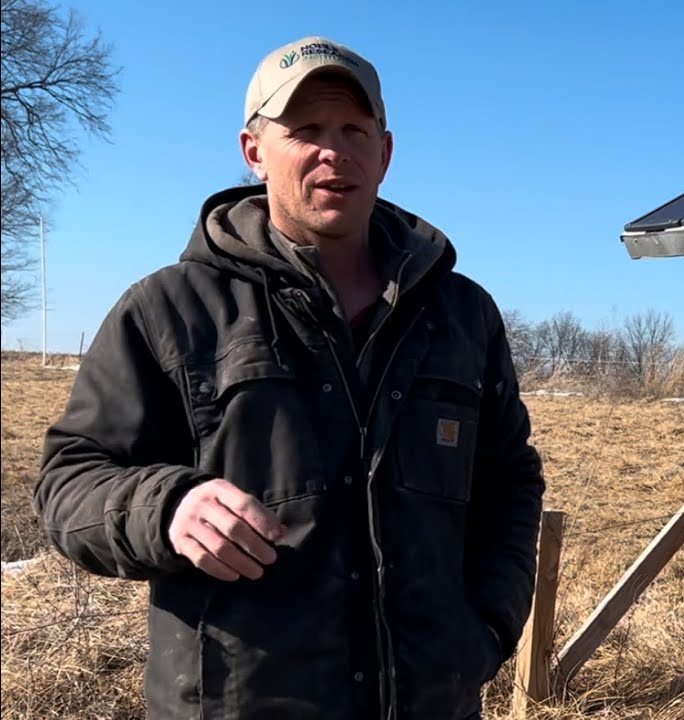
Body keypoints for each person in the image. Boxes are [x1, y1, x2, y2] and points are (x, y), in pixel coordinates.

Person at [33, 35, 545, 720]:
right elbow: (68, 481)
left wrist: (490, 626)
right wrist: (167, 507)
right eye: (306, 130)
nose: (334, 151)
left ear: (385, 153)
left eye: (354, 130)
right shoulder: (168, 311)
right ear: (254, 152)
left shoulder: (462, 315)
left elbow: (510, 481)